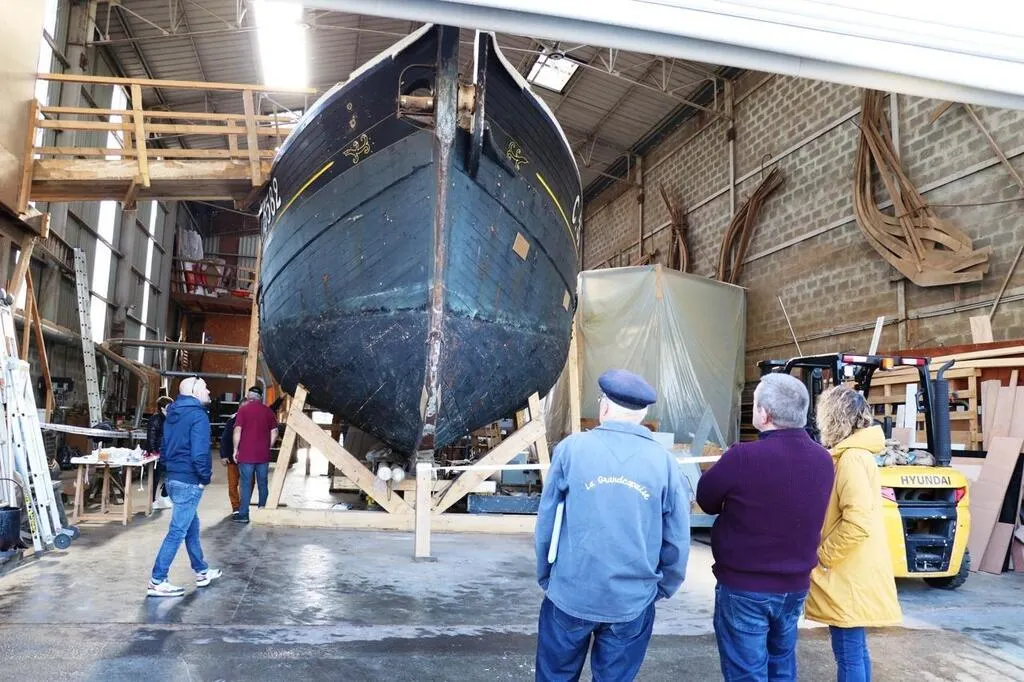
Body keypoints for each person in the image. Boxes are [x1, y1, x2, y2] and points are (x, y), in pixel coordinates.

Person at [535, 369, 690, 682]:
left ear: (604, 407)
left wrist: (547, 575)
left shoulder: (571, 449)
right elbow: (677, 537)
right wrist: (663, 586)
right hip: (631, 600)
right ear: (643, 415)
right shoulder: (665, 463)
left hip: (571, 593)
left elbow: (547, 520)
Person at [696, 372, 835, 682]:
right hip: (795, 586)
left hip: (745, 586)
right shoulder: (823, 459)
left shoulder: (743, 457)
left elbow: (706, 499)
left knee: (747, 673)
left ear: (764, 414)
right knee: (781, 665)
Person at [804, 385, 902, 682]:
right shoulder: (854, 455)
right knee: (855, 650)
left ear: (833, 418)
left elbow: (857, 523)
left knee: (849, 652)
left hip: (848, 573)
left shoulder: (851, 459)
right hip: (852, 570)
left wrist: (822, 556)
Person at [147, 376, 222, 597]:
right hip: (189, 480)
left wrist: (168, 470)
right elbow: (200, 452)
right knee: (177, 531)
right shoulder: (198, 415)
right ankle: (157, 580)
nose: (209, 391)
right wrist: (204, 478)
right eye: (205, 388)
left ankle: (201, 571)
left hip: (174, 478)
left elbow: (164, 446)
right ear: (194, 391)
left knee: (191, 527)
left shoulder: (172, 414)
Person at [232, 385, 280, 524]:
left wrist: (235, 449)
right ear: (261, 398)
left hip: (246, 454)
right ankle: (263, 513)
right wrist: (268, 446)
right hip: (263, 455)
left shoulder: (243, 410)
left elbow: (237, 430)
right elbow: (275, 432)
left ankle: (244, 515)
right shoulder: (268, 411)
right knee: (263, 483)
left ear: (248, 397)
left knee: (246, 484)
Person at [146, 395, 174, 510]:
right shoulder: (155, 419)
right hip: (158, 453)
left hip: (169, 452)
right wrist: (153, 451)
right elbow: (151, 436)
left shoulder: (172, 419)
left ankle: (164, 496)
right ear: (163, 408)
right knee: (155, 477)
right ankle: (152, 500)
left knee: (171, 475)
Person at [220, 412, 241, 519]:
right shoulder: (232, 420)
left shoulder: (252, 418)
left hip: (248, 458)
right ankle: (236, 507)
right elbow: (225, 438)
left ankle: (243, 505)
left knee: (249, 483)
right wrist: (223, 455)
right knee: (233, 484)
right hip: (233, 459)